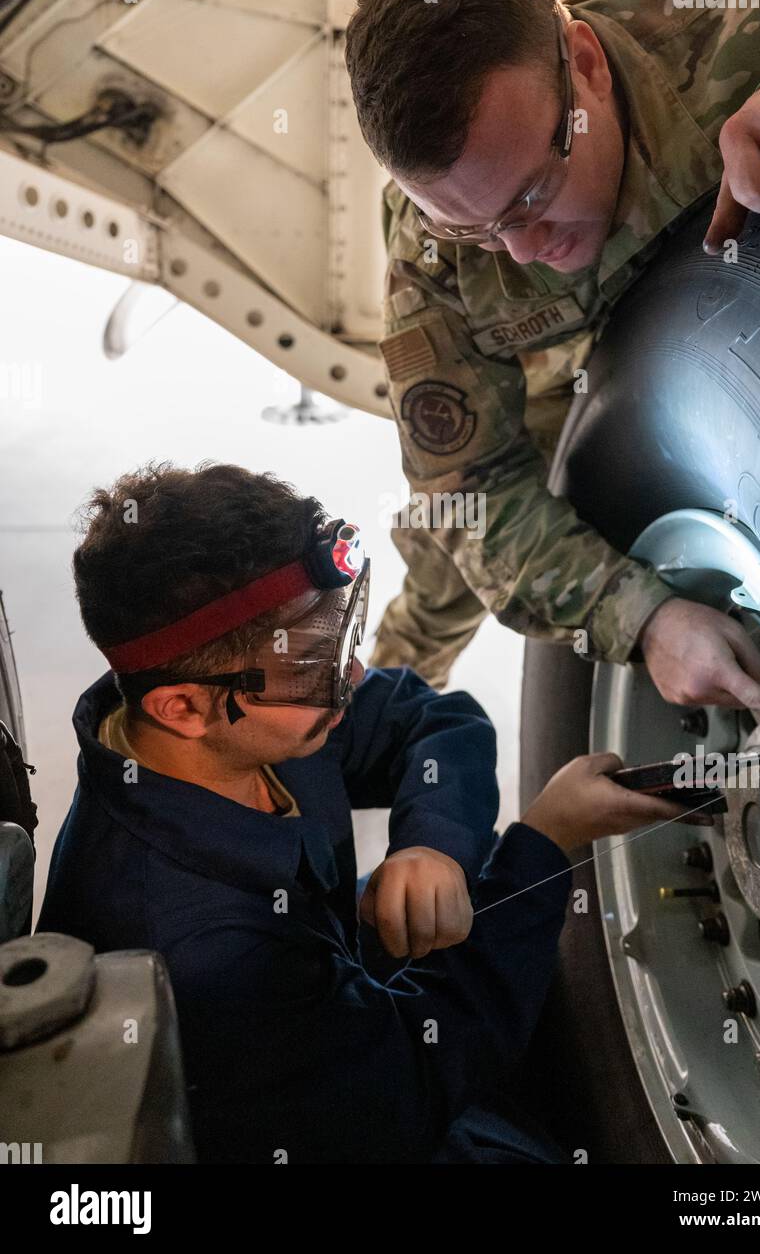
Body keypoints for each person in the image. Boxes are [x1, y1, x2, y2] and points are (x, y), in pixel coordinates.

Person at [36, 461, 682, 1164]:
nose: (350, 676)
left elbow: (427, 720)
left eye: (336, 637)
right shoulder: (199, 951)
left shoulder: (233, 712)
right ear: (184, 708)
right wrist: (547, 844)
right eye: (314, 661)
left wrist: (432, 845)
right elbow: (409, 1087)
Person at [344, 0, 760, 726]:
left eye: (527, 197)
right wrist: (643, 616)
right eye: (471, 228)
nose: (519, 252)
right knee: (444, 554)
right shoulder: (432, 257)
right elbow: (473, 492)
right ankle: (382, 707)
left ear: (584, 64)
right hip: (574, 378)